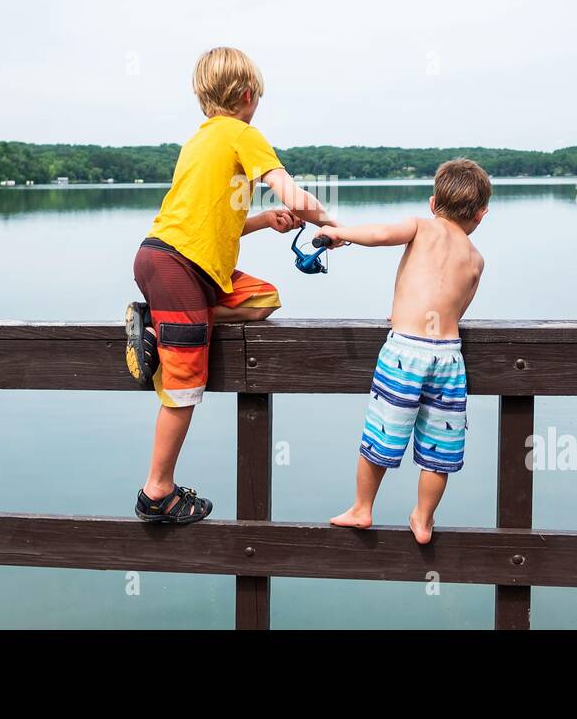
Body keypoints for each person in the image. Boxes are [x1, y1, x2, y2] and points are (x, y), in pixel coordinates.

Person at [125, 46, 338, 523]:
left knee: (264, 298)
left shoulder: (198, 142)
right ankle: (156, 492)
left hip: (165, 259)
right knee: (184, 386)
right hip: (180, 268)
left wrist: (263, 220)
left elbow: (208, 222)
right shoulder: (243, 133)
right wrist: (330, 225)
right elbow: (293, 191)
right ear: (247, 95)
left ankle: (158, 324)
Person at [322, 158, 490, 543]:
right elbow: (460, 308)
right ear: (481, 214)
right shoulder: (476, 259)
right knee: (439, 444)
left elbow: (380, 233)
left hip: (406, 351)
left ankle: (363, 508)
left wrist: (339, 233)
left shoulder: (421, 227)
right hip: (448, 356)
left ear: (433, 203)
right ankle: (423, 518)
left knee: (382, 430)